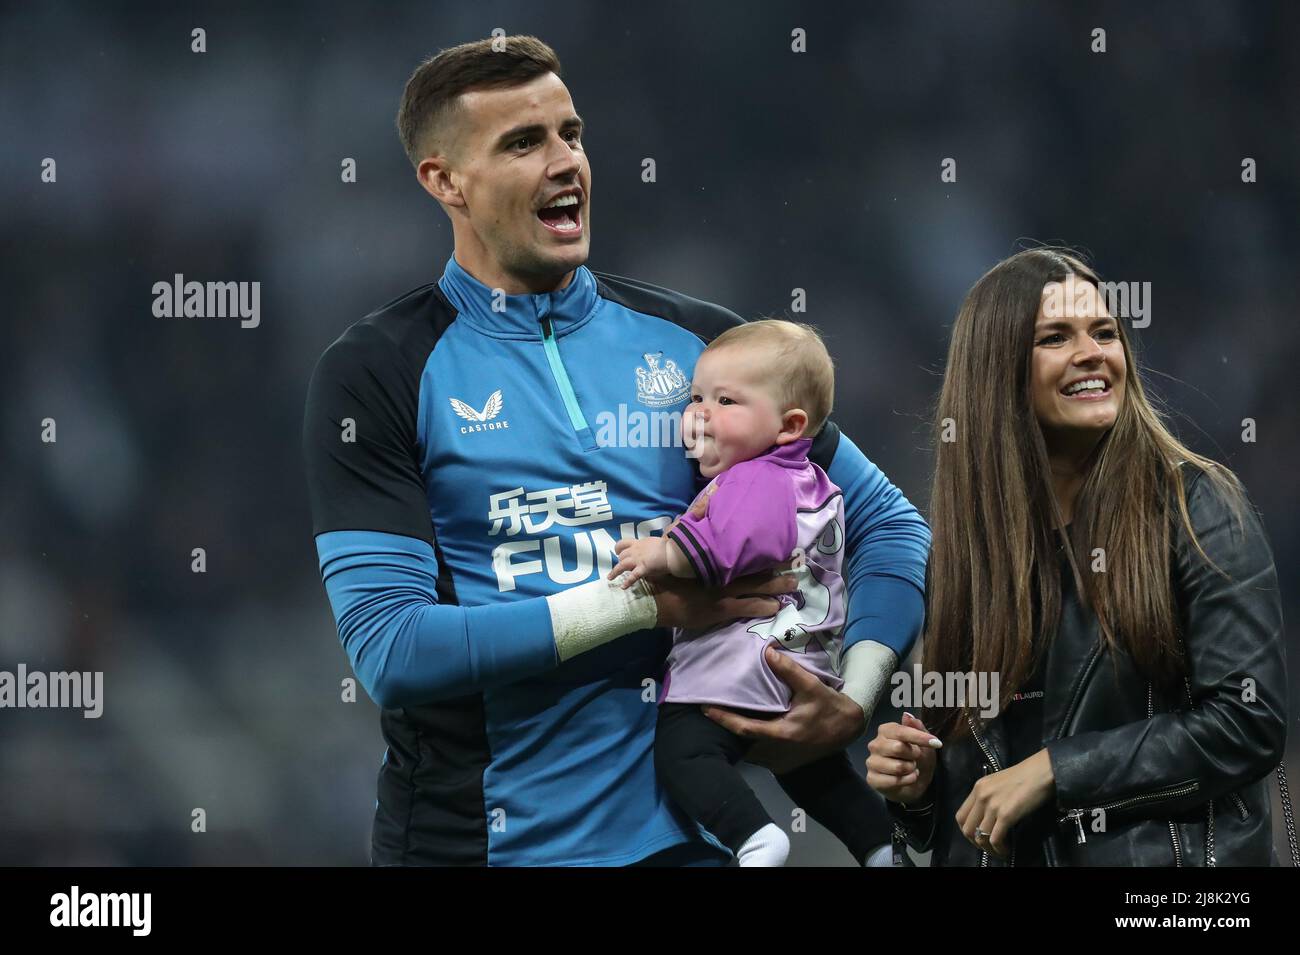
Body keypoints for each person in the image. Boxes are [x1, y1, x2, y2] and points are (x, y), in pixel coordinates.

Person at [302, 35, 930, 865]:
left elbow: (890, 527)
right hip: (477, 847)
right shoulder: (378, 371)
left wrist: (853, 693)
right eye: (523, 143)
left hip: (687, 842)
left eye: (571, 134)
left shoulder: (699, 348)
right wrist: (645, 605)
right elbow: (392, 648)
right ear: (444, 180)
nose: (565, 161)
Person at [866, 248, 1289, 866]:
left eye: (1105, 333)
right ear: (997, 372)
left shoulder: (1195, 506)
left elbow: (1247, 722)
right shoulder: (966, 553)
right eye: (1056, 337)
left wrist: (1056, 771)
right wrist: (921, 789)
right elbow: (981, 785)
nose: (1093, 353)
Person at [609, 320, 896, 866]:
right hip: (802, 663)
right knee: (815, 769)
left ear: (789, 425)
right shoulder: (813, 480)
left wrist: (665, 554)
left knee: (685, 750)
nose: (699, 414)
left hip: (743, 664)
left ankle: (754, 836)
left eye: (725, 401)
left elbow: (740, 542)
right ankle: (880, 846)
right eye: (696, 398)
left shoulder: (754, 477)